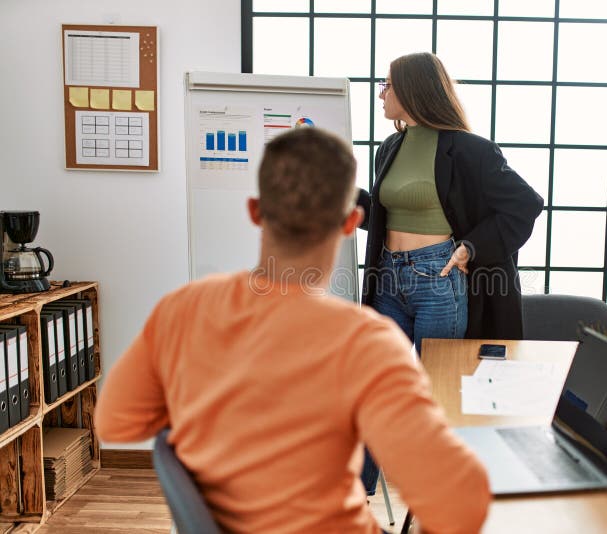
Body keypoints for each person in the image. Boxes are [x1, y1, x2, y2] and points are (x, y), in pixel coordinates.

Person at [95, 127, 491, 533]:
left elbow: (114, 421)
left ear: (255, 211)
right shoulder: (367, 344)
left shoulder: (183, 309)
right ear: (351, 222)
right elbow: (462, 503)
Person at [358, 51, 544, 495]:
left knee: (435, 396)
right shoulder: (390, 148)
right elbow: (384, 214)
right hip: (389, 280)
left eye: (387, 85)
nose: (381, 94)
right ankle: (355, 493)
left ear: (413, 90)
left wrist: (470, 248)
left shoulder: (470, 150)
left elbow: (525, 203)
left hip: (439, 280)